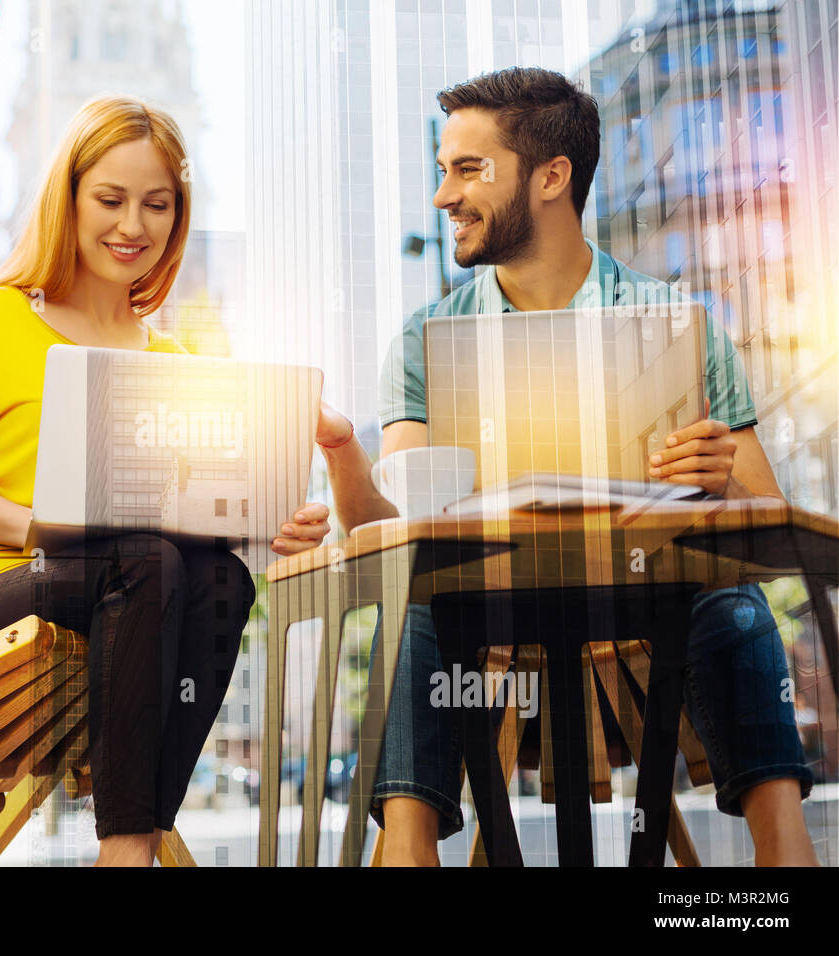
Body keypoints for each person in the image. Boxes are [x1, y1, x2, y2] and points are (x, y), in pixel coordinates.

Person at [320, 67, 817, 866]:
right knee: (416, 612)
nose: (445, 195)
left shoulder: (677, 328)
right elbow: (394, 540)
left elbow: (769, 524)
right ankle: (407, 853)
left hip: (653, 649)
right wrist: (344, 451)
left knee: (737, 607)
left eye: (468, 169)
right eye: (441, 170)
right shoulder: (424, 340)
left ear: (553, 176)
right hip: (489, 653)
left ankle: (786, 862)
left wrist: (722, 478)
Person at [0, 96, 337, 866]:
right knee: (143, 557)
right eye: (111, 199)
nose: (133, 226)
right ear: (69, 199)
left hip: (111, 613)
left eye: (157, 205)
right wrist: (42, 526)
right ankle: (129, 852)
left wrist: (269, 527)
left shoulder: (170, 367)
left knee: (223, 575)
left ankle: (132, 840)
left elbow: (189, 527)